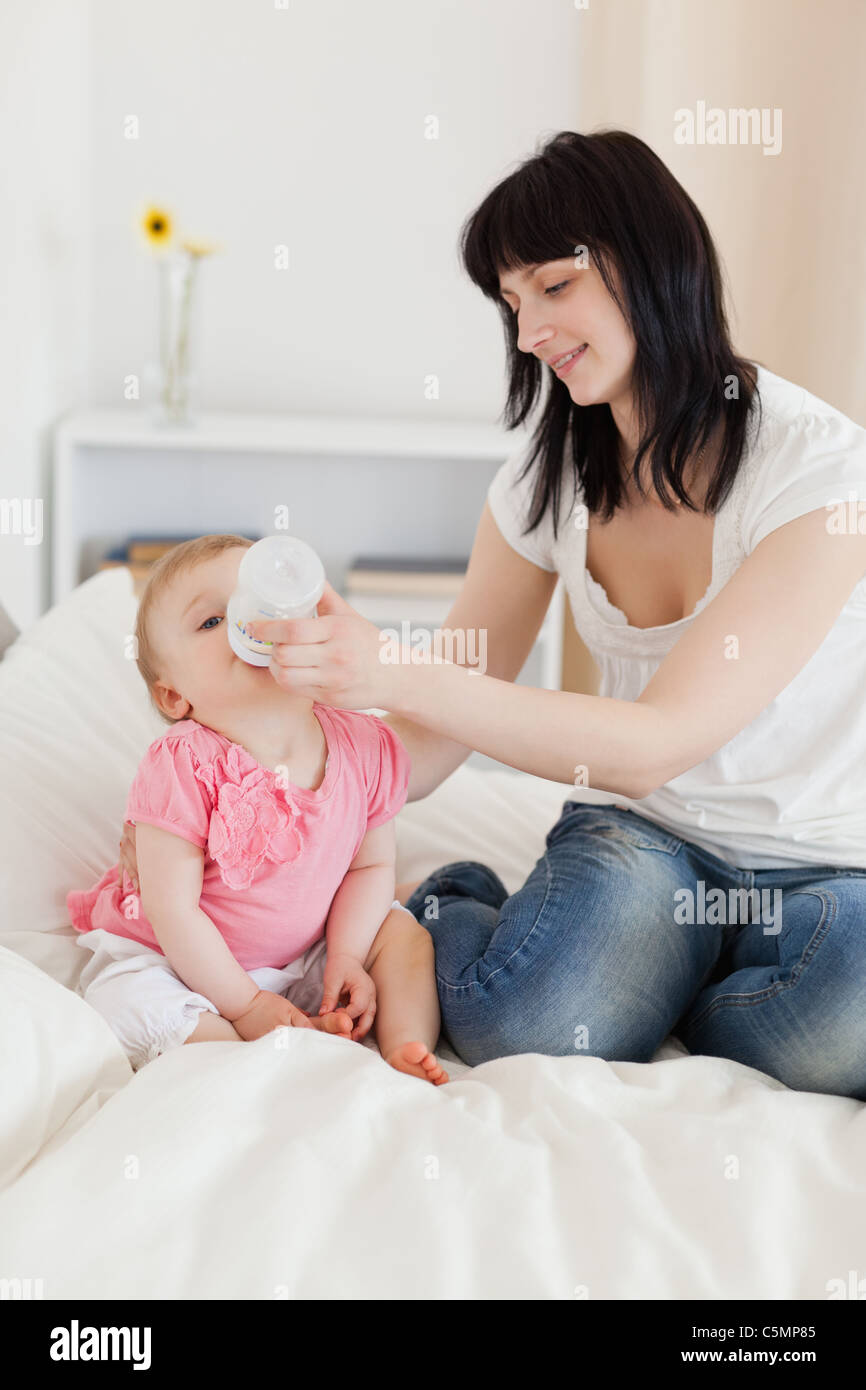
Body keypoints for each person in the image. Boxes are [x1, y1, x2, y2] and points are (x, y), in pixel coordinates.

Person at [121, 131, 866, 1100]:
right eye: (512, 304)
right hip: (646, 842)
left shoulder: (818, 474)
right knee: (525, 1020)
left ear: (655, 262)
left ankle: (674, 989)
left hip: (823, 858)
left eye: (554, 286)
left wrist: (386, 668)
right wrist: (277, 788)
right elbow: (436, 730)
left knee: (839, 1030)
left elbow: (656, 743)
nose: (528, 333)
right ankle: (457, 906)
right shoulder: (543, 480)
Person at [73, 534, 448, 1084]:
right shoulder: (183, 763)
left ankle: (403, 1048)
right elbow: (173, 910)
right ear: (174, 696)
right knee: (126, 1003)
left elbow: (370, 867)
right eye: (212, 621)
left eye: (262, 605)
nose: (248, 625)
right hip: (180, 962)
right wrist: (246, 1005)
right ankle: (246, 1054)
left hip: (308, 953)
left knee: (404, 935)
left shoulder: (363, 745)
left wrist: (346, 957)